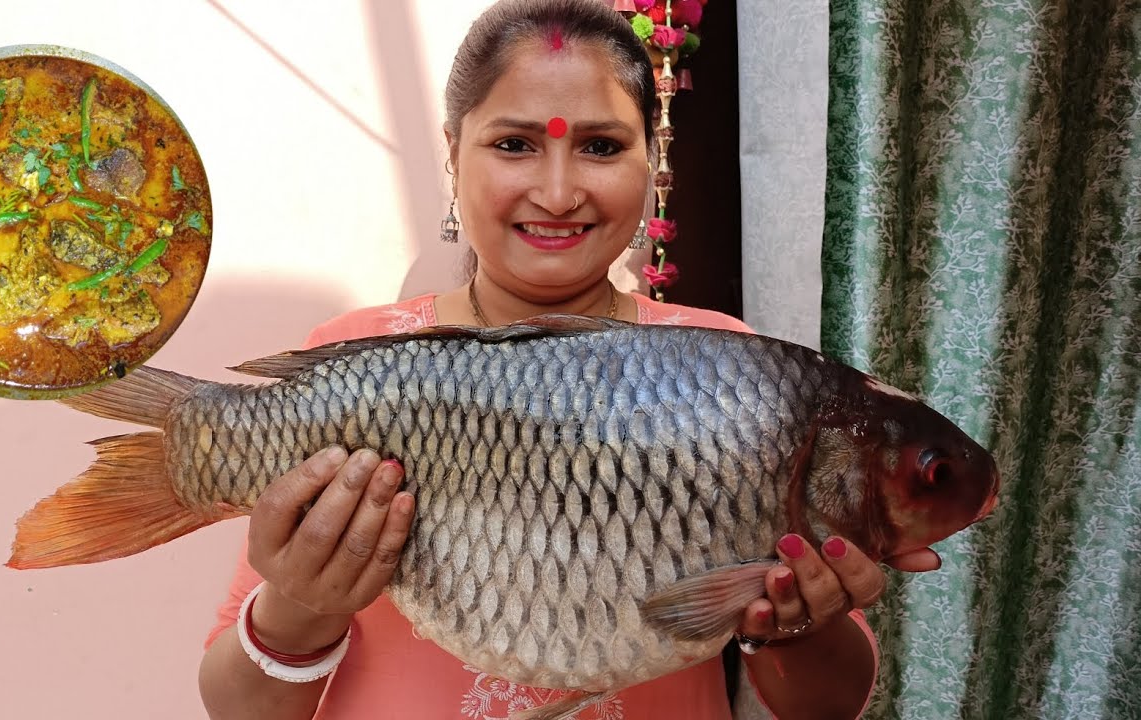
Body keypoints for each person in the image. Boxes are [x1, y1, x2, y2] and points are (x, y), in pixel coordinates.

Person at [197, 1, 940, 717]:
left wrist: (797, 620)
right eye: (515, 144)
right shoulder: (354, 371)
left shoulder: (734, 374)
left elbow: (829, 706)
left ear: (652, 157)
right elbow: (239, 708)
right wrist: (299, 602)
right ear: (454, 152)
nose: (557, 192)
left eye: (601, 146)